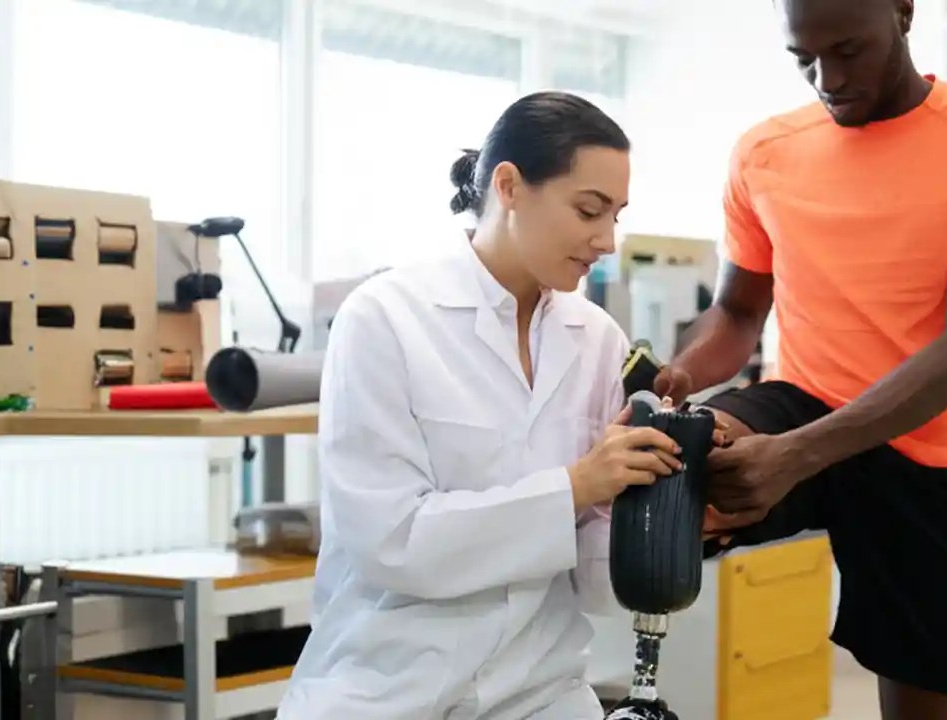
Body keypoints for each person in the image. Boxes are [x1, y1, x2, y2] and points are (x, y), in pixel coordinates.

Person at [657, 1, 947, 719]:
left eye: (848, 50)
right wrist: (682, 375)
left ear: (904, 12)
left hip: (921, 443)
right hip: (797, 403)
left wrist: (799, 457)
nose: (827, 78)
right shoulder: (763, 152)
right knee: (675, 475)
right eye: (803, 58)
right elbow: (740, 313)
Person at [278, 91, 685, 720]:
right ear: (509, 186)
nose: (607, 240)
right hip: (387, 689)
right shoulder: (386, 318)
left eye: (617, 216)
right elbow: (391, 543)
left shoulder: (597, 337)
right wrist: (576, 485)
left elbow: (597, 585)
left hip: (541, 691)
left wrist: (663, 517)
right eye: (588, 210)